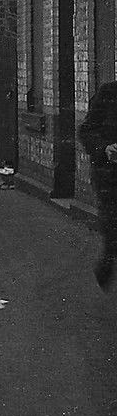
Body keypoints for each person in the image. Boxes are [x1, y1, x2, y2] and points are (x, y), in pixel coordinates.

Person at [79, 81, 117, 289]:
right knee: (113, 230)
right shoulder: (109, 92)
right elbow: (86, 130)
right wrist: (104, 148)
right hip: (111, 179)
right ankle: (108, 258)